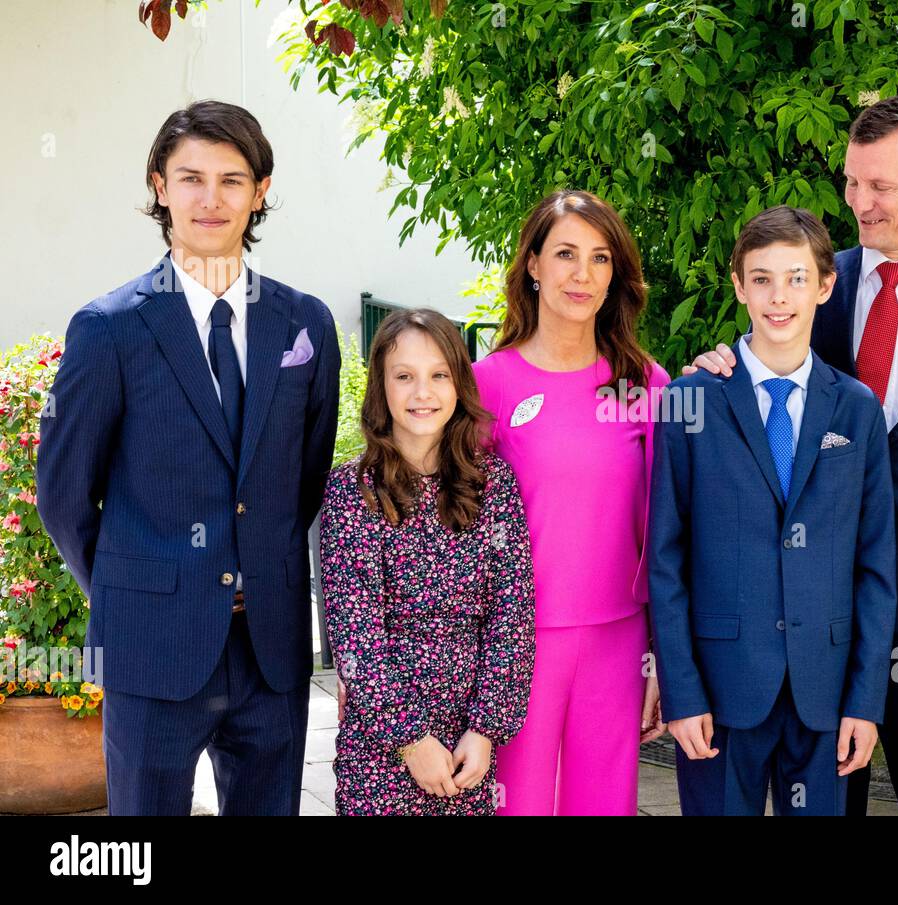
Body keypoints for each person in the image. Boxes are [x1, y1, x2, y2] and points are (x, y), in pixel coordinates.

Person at [686, 92, 898, 816]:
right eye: (852, 180)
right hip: (816, 606)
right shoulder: (816, 280)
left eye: (880, 185)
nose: (859, 201)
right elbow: (765, 382)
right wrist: (718, 363)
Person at [36, 100, 340, 815]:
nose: (212, 199)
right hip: (151, 646)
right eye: (192, 178)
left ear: (260, 191)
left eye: (232, 180)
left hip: (270, 647)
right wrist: (131, 588)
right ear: (159, 185)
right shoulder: (109, 328)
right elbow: (63, 496)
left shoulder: (305, 323)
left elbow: (307, 480)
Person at [650, 206, 897, 816]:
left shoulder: (858, 410)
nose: (778, 297)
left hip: (825, 691)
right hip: (719, 690)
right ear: (738, 285)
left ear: (824, 285)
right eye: (761, 278)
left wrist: (866, 701)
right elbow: (665, 560)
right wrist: (681, 693)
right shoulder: (689, 403)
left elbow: (876, 568)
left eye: (794, 278)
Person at [471, 189, 671, 815]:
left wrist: (664, 660)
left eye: (601, 258)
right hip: (513, 641)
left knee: (603, 805)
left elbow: (672, 531)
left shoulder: (645, 384)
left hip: (620, 639)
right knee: (516, 805)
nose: (583, 275)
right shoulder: (486, 385)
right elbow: (453, 531)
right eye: (565, 254)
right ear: (532, 265)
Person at [320, 309, 534, 816]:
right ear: (382, 388)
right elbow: (355, 636)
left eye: (439, 375)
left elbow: (513, 616)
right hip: (381, 747)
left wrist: (485, 730)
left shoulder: (493, 487)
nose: (423, 393)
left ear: (459, 383)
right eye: (405, 376)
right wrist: (410, 740)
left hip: (468, 745)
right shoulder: (353, 492)